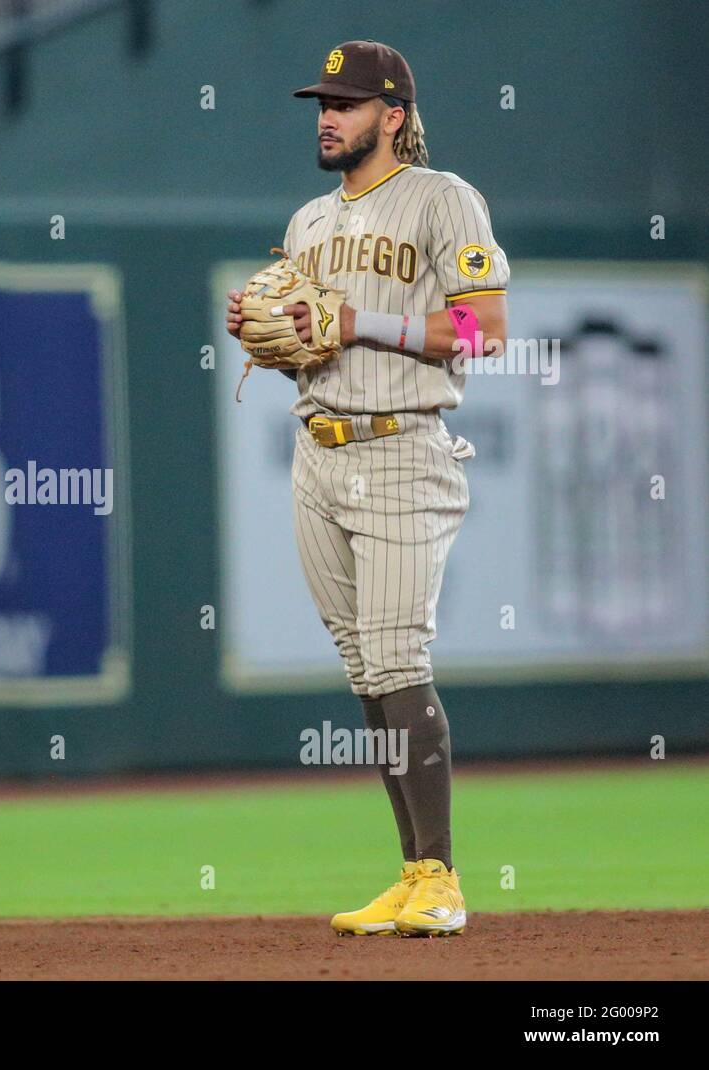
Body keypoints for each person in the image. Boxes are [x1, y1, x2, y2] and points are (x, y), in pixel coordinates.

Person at [225, 40, 509, 936]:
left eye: (345, 104)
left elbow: (484, 328)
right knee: (364, 670)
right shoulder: (308, 222)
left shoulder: (442, 198)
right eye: (322, 102)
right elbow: (320, 349)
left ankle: (445, 881)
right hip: (320, 447)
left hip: (400, 449)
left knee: (395, 659)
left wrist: (358, 321)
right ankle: (413, 870)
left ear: (392, 116)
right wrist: (273, 339)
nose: (327, 116)